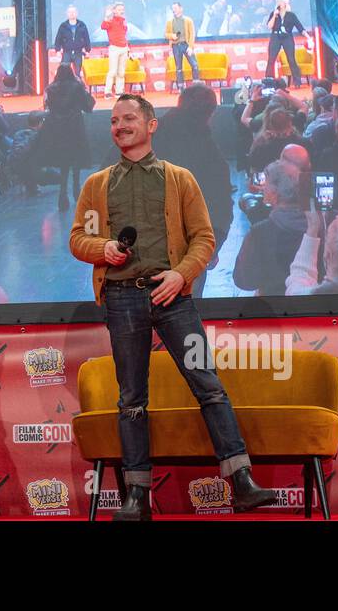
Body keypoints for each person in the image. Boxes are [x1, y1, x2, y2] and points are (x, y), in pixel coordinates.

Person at [69, 93, 276, 519]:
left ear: (151, 125)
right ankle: (136, 496)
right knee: (131, 398)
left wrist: (181, 275)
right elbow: (77, 239)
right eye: (114, 120)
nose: (120, 126)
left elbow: (204, 238)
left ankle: (241, 481)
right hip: (122, 299)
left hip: (175, 298)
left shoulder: (180, 179)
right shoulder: (97, 185)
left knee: (209, 386)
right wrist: (103, 248)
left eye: (129, 118)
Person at [154, 84, 233, 297]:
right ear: (210, 114)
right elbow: (221, 205)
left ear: (179, 103)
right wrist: (212, 247)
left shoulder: (142, 136)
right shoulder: (210, 154)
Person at [233, 159, 309, 296]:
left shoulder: (260, 233)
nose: (263, 188)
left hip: (271, 303)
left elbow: (243, 280)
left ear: (275, 193)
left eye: (266, 183)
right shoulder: (319, 225)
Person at [41, 63, 96, 211]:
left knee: (63, 161)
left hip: (58, 130)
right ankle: (77, 189)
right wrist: (82, 86)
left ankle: (62, 194)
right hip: (74, 128)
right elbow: (88, 106)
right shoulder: (77, 87)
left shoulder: (51, 89)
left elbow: (47, 107)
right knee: (76, 159)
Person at [265, 0, 307, 88]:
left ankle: (297, 82)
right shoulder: (273, 13)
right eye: (277, 2)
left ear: (284, 4)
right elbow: (269, 26)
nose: (278, 3)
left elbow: (300, 27)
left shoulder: (291, 15)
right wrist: (274, 16)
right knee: (271, 59)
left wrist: (307, 36)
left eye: (280, 1)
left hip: (287, 37)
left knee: (291, 59)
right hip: (275, 36)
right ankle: (268, 81)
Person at [165, 1, 199, 89]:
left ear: (181, 9)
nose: (174, 10)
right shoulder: (170, 22)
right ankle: (181, 88)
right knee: (178, 68)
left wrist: (190, 47)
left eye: (175, 8)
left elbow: (192, 34)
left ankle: (197, 86)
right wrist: (172, 36)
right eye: (173, 9)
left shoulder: (188, 20)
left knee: (194, 65)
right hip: (176, 46)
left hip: (186, 45)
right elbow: (166, 34)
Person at [53, 5, 92, 79]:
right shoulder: (63, 26)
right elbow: (58, 39)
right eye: (70, 12)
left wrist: (88, 50)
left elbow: (86, 38)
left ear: (77, 13)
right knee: (64, 73)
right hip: (66, 53)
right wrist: (57, 50)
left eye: (73, 12)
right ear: (67, 14)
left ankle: (77, 86)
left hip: (78, 53)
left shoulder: (82, 25)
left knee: (77, 74)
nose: (72, 13)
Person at [101, 2, 130, 98]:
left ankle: (119, 91)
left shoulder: (124, 21)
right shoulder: (110, 20)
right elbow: (103, 26)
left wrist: (127, 47)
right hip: (114, 48)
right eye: (119, 9)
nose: (121, 11)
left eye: (122, 10)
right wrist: (106, 16)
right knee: (112, 71)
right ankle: (107, 92)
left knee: (121, 72)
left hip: (124, 48)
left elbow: (124, 34)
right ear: (114, 11)